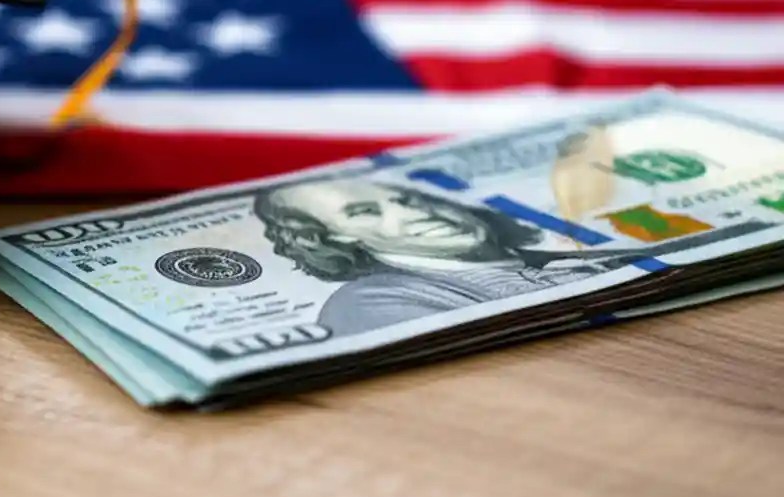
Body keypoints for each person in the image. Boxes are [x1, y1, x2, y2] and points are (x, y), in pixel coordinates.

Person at [251, 176, 767, 336]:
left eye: (409, 197)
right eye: (365, 213)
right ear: (332, 238)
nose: (409, 210)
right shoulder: (377, 303)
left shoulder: (567, 259)